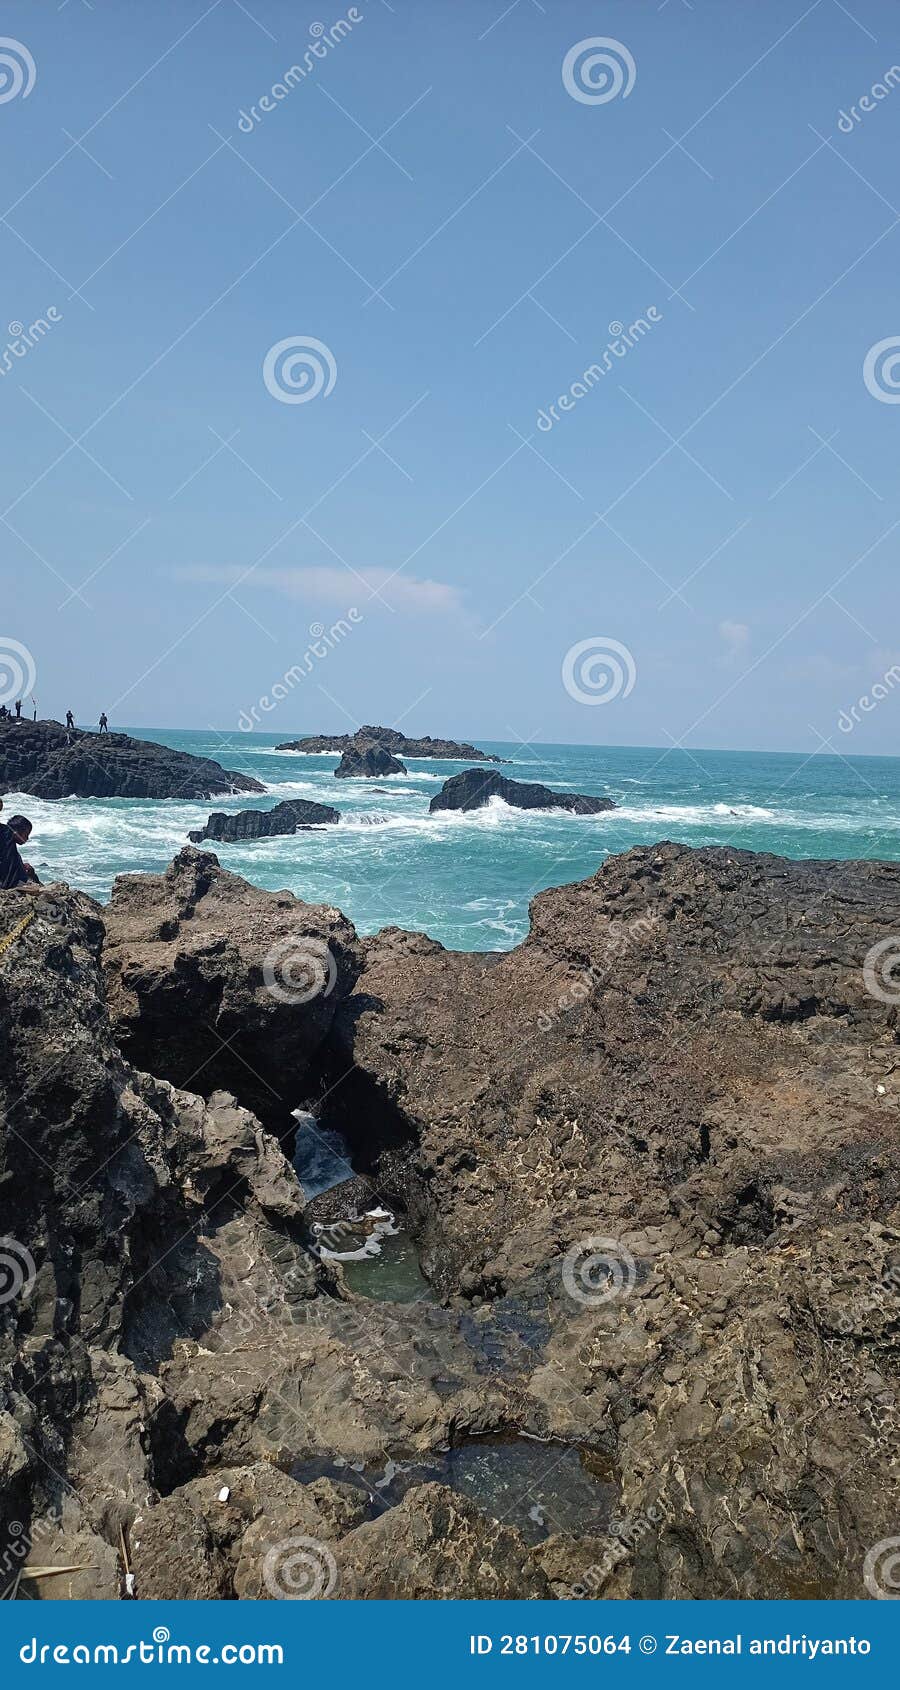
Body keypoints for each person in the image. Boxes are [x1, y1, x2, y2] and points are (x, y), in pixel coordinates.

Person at [0, 814, 38, 889]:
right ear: (17, 831)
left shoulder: (11, 848)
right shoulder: (7, 840)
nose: (27, 838)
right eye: (26, 834)